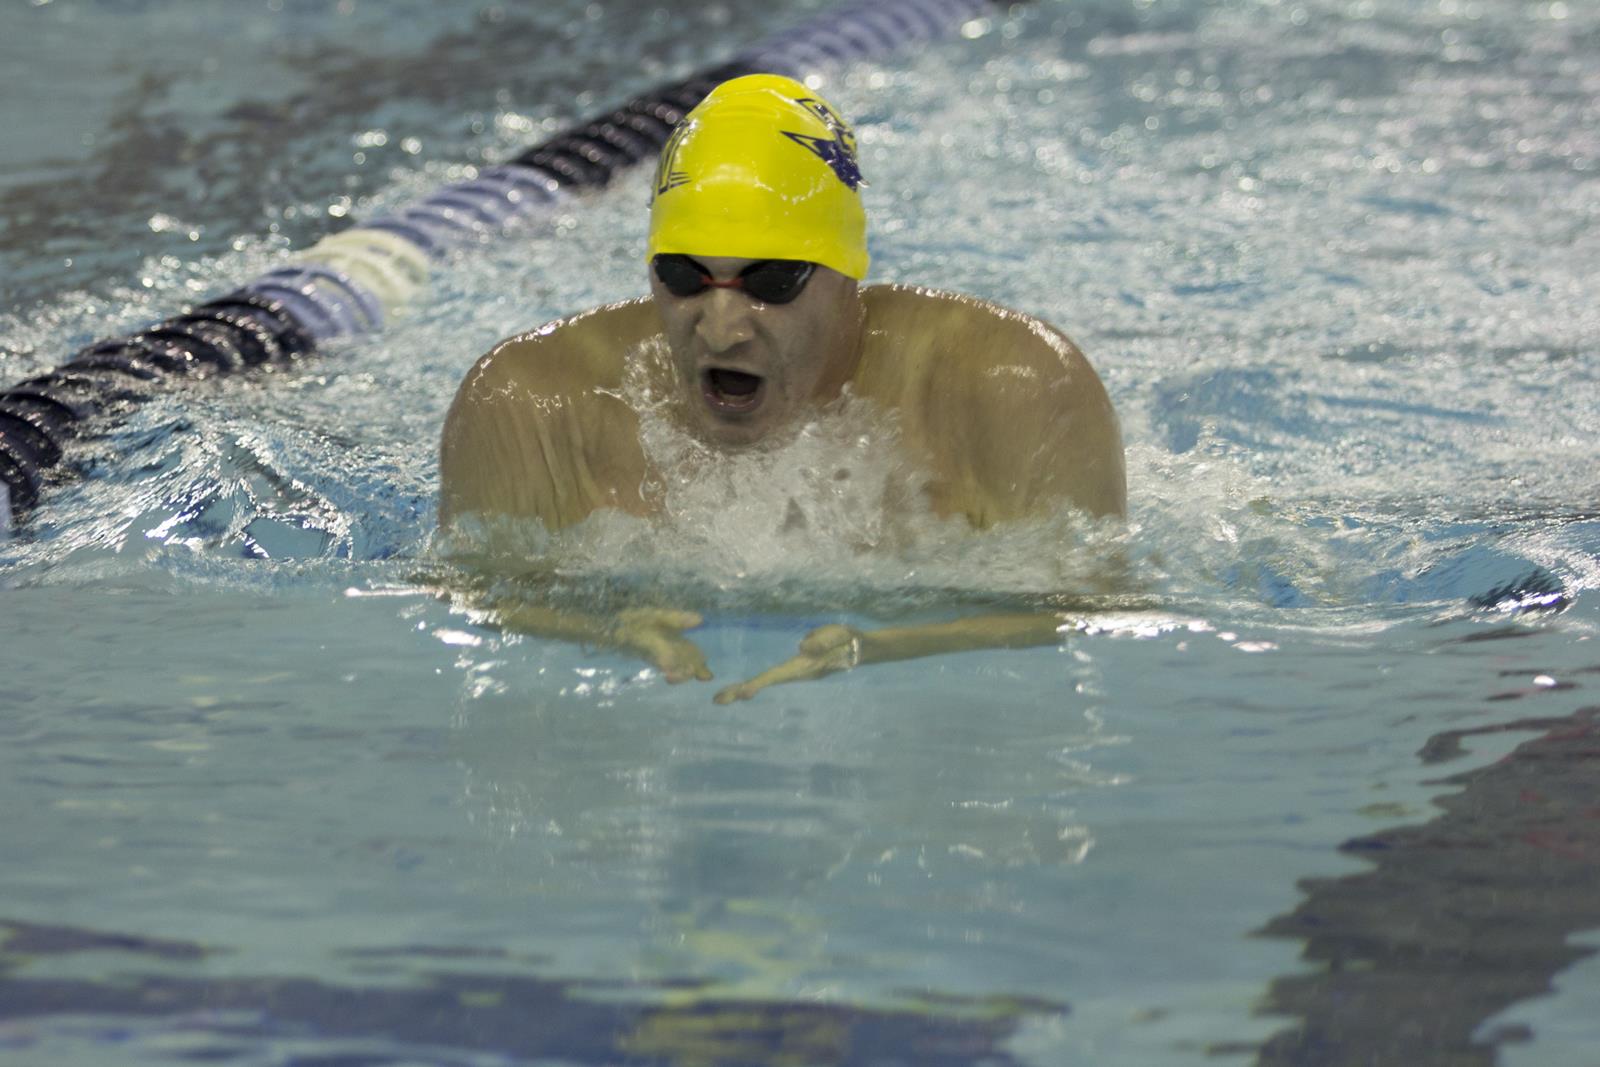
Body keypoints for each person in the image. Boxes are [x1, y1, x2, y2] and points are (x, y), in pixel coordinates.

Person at [439, 74, 1125, 702]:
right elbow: (464, 592)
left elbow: (1090, 607)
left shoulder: (1011, 388)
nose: (721, 329)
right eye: (683, 275)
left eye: (770, 283)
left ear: (847, 274)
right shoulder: (533, 405)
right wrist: (592, 629)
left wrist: (888, 646)